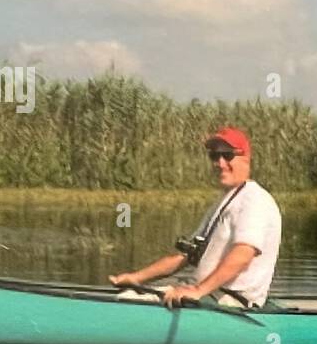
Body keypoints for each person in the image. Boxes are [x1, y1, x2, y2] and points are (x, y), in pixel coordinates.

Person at [109, 127, 282, 310]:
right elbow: (185, 257)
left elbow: (243, 255)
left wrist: (198, 290)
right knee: (128, 296)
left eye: (228, 155)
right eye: (215, 156)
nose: (220, 163)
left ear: (246, 157)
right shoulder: (225, 201)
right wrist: (137, 278)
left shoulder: (254, 200)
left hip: (231, 303)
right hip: (209, 296)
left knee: (128, 303)